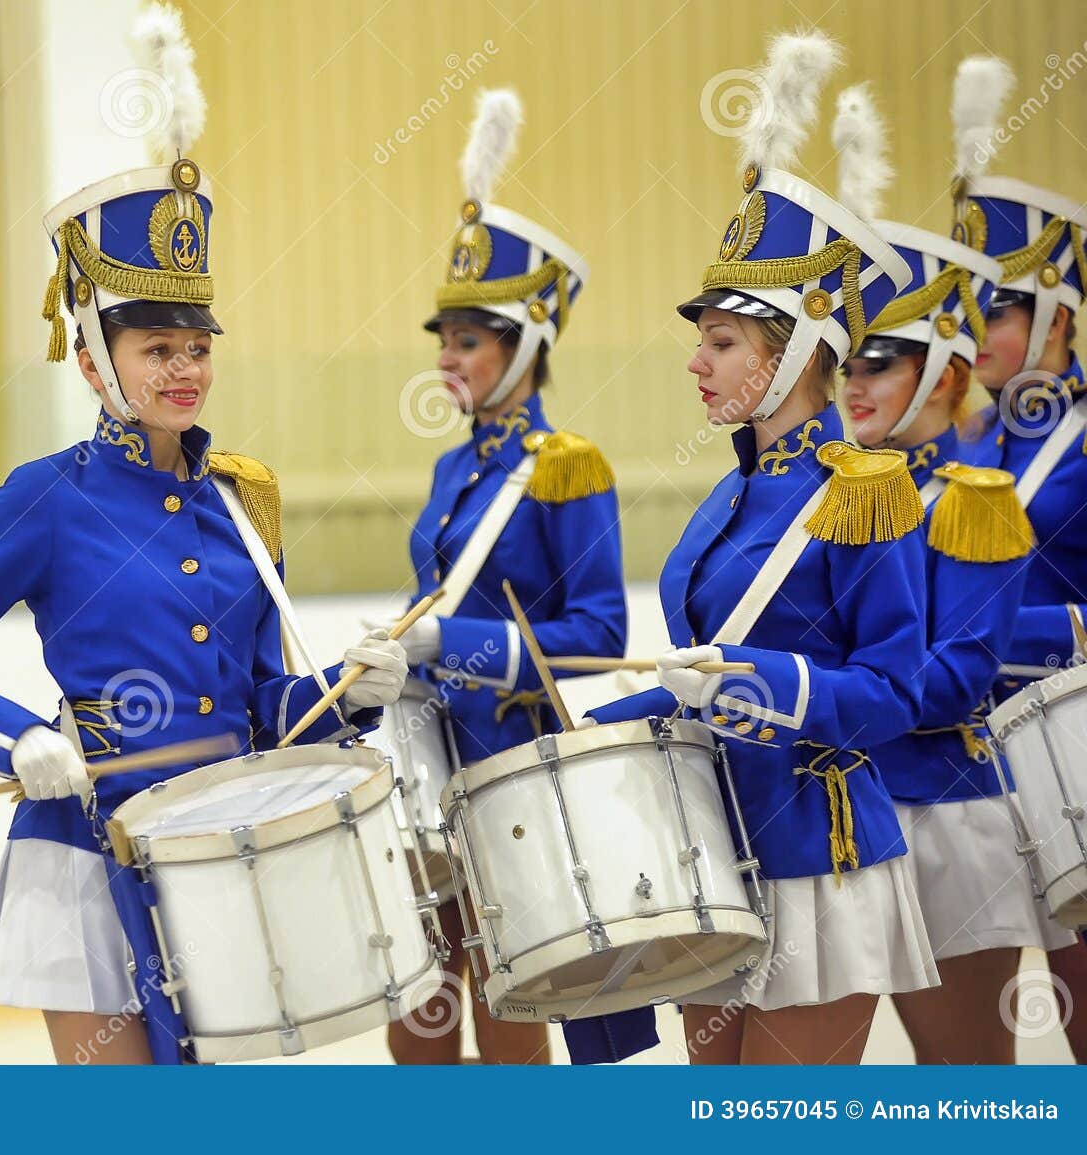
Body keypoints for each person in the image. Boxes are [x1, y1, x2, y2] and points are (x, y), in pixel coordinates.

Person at [0, 3, 406, 1066]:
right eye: (156, 348)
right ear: (94, 361)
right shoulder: (43, 497)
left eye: (197, 346)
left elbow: (256, 710)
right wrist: (13, 736)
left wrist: (349, 691)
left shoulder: (241, 500)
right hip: (89, 847)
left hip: (224, 850)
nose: (185, 371)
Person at [586, 32, 935, 1065]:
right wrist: (601, 727)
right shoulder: (729, 495)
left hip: (817, 851)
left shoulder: (864, 495)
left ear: (795, 355)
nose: (695, 363)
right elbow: (697, 679)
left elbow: (894, 693)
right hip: (714, 846)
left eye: (723, 343)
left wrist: (763, 681)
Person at [384, 88, 652, 1065]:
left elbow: (599, 638)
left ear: (527, 343)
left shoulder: (567, 466)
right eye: (445, 341)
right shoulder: (453, 467)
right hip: (428, 764)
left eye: (469, 340)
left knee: (510, 999)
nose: (449, 359)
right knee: (415, 998)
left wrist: (446, 645)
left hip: (514, 764)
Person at [831, 80, 1074, 1063]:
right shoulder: (895, 475)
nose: (980, 334)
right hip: (875, 786)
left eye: (1003, 308)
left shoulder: (990, 478)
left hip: (1024, 759)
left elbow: (959, 646)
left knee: (991, 1065)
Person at [951, 54, 1087, 1063]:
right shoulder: (961, 442)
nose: (973, 329)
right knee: (975, 1039)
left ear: (1057, 309)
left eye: (995, 305)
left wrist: (1005, 639)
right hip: (974, 760)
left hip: (1078, 748)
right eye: (965, 305)